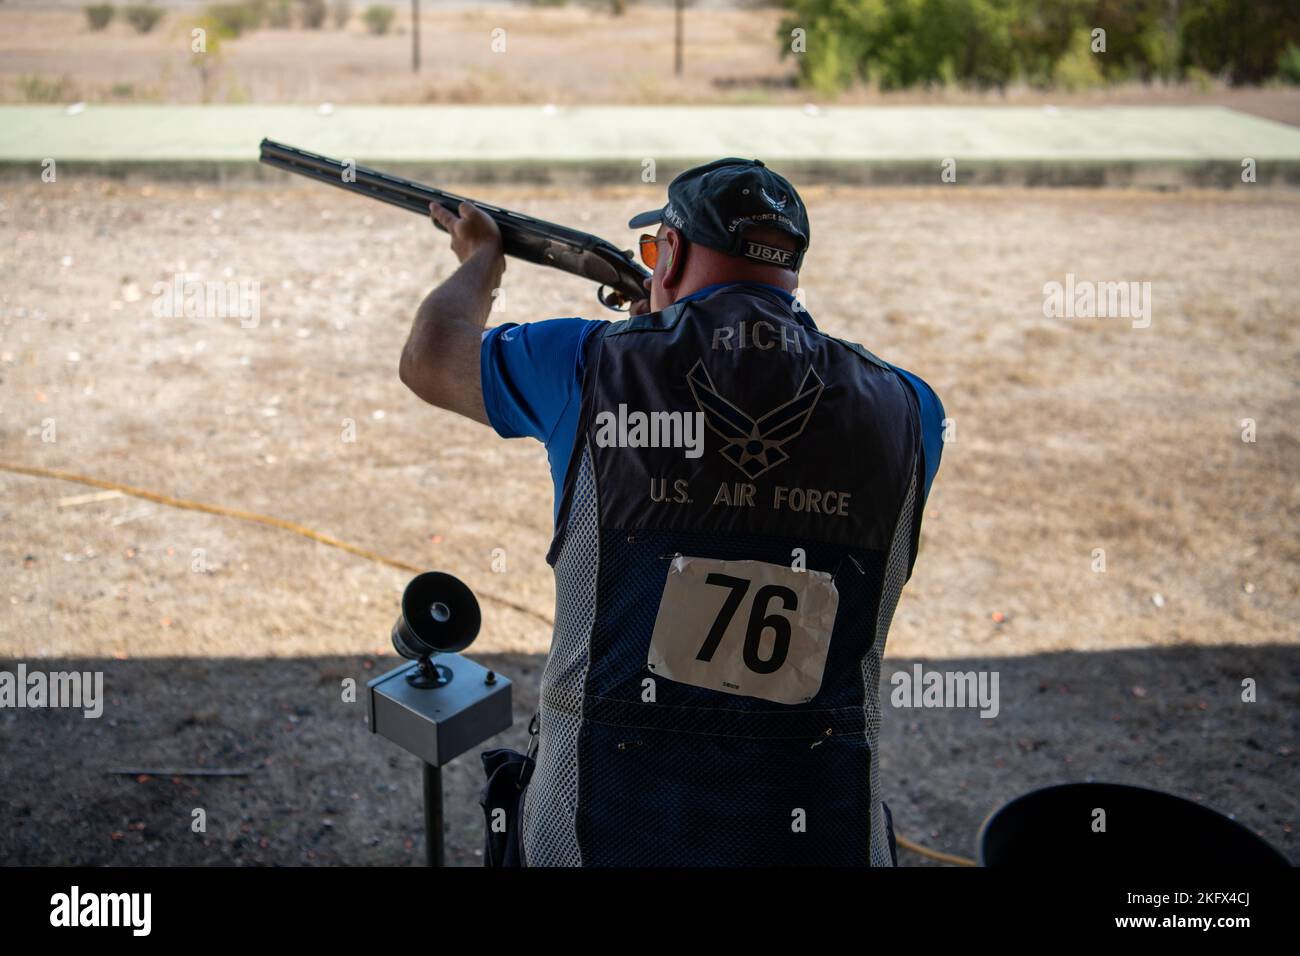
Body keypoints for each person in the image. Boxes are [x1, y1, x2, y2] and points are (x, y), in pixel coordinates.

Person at [400, 159, 945, 866]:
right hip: (822, 829)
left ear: (674, 253)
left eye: (655, 252)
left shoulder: (588, 365)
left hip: (598, 825)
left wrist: (484, 259)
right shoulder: (912, 408)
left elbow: (430, 356)